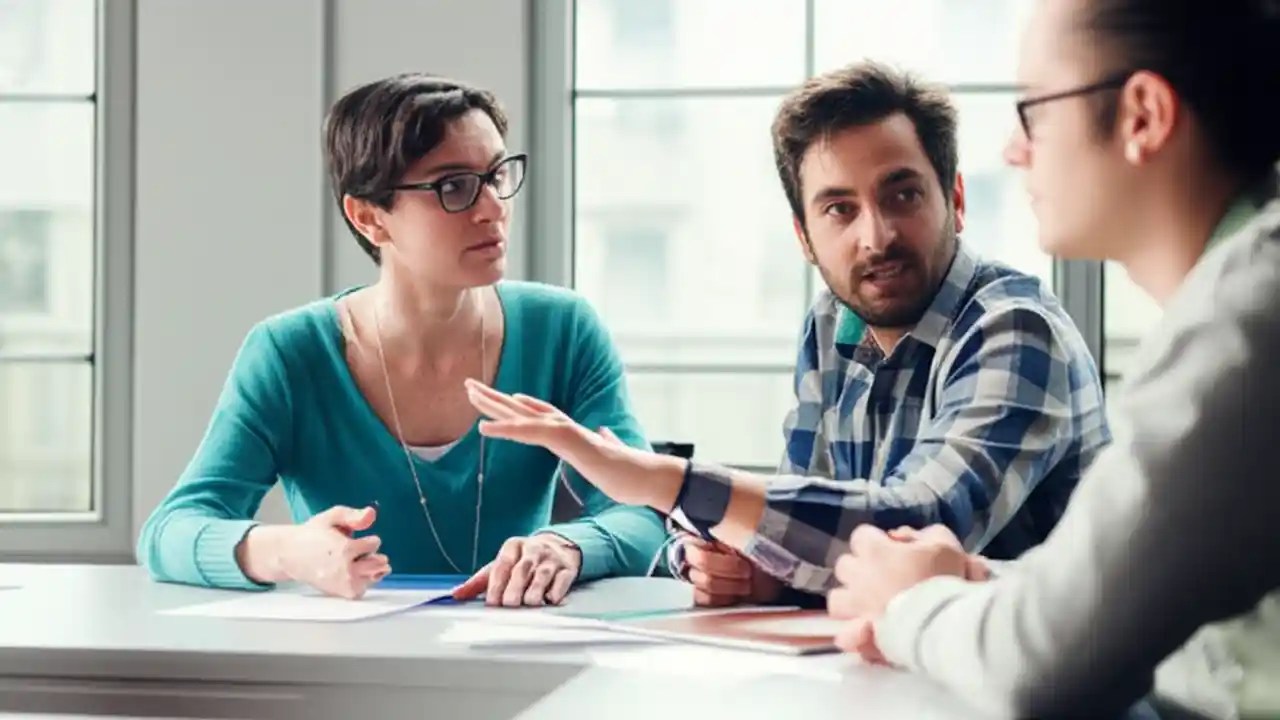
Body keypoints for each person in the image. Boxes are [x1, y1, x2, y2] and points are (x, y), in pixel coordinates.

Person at [464, 61, 1111, 610]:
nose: (876, 236)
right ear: (804, 237)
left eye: (903, 195)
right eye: (839, 209)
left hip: (1048, 685)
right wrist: (749, 567)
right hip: (902, 668)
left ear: (956, 200)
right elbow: (812, 516)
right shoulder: (832, 322)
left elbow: (920, 527)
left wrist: (667, 481)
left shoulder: (1015, 327)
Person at [817, 0, 1280, 717]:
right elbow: (1134, 602)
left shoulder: (1248, 321)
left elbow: (1035, 668)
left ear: (1143, 117)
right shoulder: (1236, 299)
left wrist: (910, 604)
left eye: (1034, 111)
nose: (1013, 150)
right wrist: (974, 583)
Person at [136, 74, 666, 606]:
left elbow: (643, 510)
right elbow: (170, 531)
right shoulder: (289, 352)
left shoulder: (563, 331)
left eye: (497, 175)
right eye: (454, 186)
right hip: (351, 650)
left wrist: (565, 546)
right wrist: (288, 551)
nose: (493, 208)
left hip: (515, 643)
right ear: (369, 218)